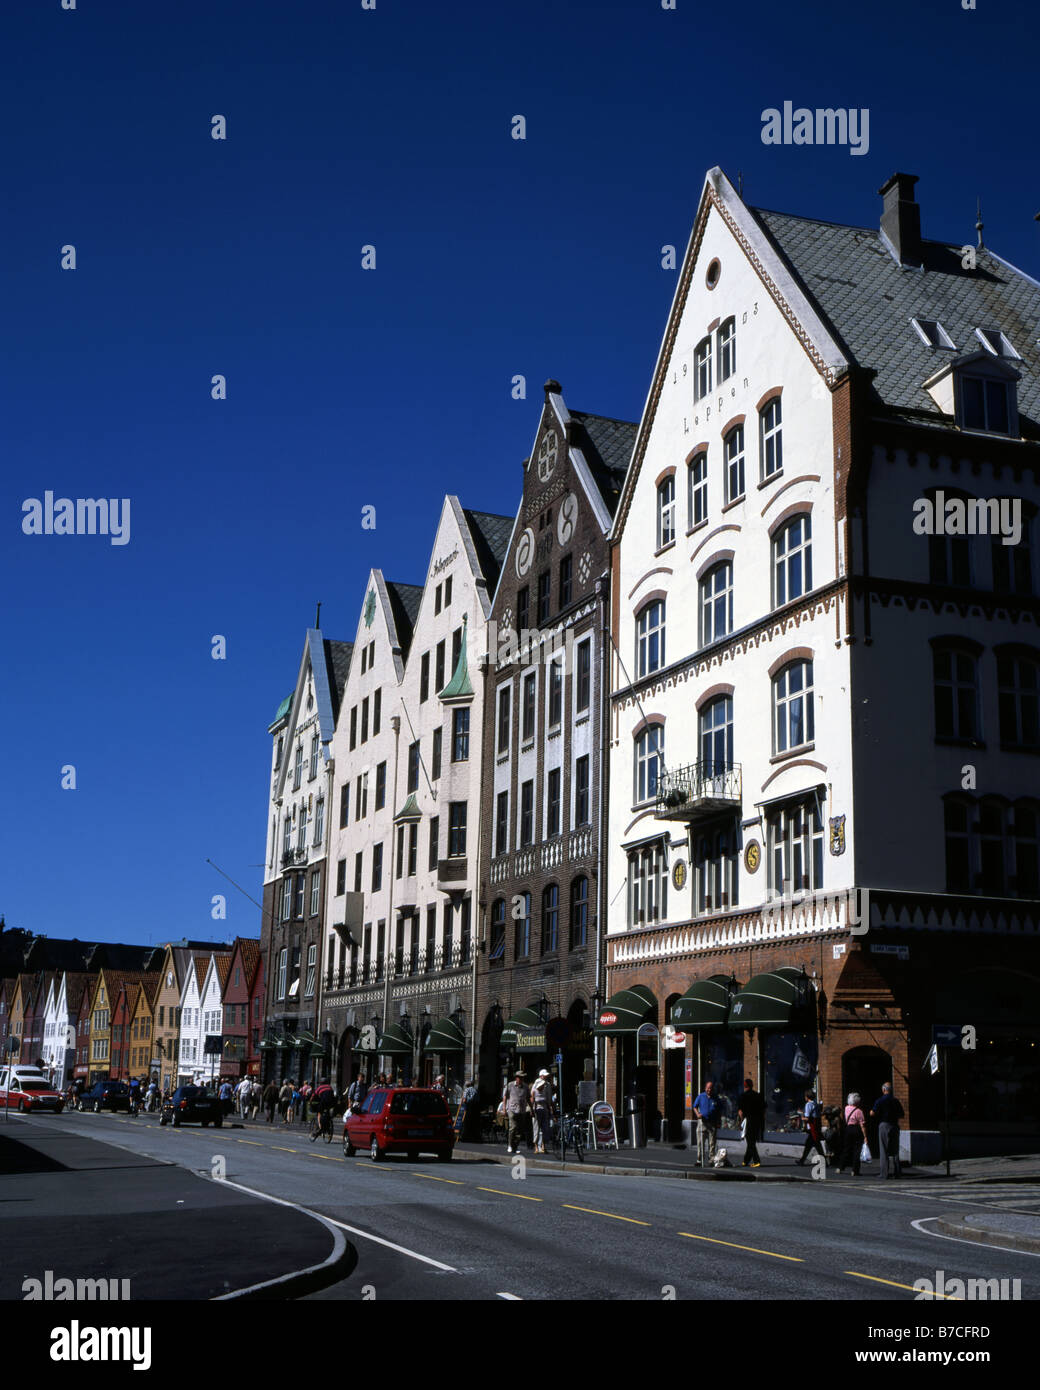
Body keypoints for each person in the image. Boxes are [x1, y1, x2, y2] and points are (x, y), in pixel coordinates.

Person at [871, 1082, 905, 1179]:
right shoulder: (895, 1101)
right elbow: (902, 1114)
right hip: (894, 1125)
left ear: (883, 1090)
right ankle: (897, 1172)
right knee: (895, 1150)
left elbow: (873, 1113)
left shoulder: (880, 1100)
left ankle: (884, 1173)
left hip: (884, 1125)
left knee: (884, 1149)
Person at [502, 1070, 531, 1156]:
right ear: (517, 1078)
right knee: (513, 1127)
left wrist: (531, 1109)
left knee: (519, 1130)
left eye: (523, 1078)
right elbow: (505, 1096)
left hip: (522, 1110)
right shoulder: (510, 1085)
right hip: (512, 1108)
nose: (522, 1079)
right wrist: (504, 1108)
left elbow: (528, 1098)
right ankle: (510, 1145)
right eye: (520, 1077)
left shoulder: (525, 1087)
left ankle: (515, 1146)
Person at [737, 1078, 764, 1168]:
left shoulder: (743, 1096)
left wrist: (741, 1122)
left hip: (748, 1121)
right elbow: (764, 1108)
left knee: (750, 1142)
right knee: (751, 1141)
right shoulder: (758, 1095)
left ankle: (756, 1161)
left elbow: (740, 1112)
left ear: (745, 1086)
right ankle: (745, 1161)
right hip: (757, 1121)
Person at [837, 1092, 867, 1175]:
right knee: (857, 1150)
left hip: (848, 1129)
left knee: (846, 1148)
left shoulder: (846, 1108)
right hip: (856, 1129)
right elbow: (862, 1125)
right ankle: (855, 1170)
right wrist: (865, 1136)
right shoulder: (859, 1111)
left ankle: (840, 1167)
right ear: (857, 1101)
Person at [795, 1090, 826, 1166]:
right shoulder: (815, 1104)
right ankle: (802, 1160)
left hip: (812, 1127)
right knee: (809, 1144)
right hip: (817, 1126)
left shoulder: (808, 1104)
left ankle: (824, 1161)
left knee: (816, 1145)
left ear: (807, 1097)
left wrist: (802, 1117)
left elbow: (808, 1117)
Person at [693, 1080, 720, 1166]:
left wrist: (718, 1121)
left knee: (712, 1143)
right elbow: (695, 1107)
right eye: (708, 1088)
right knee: (700, 1142)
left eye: (711, 1088)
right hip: (702, 1122)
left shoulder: (716, 1098)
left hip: (712, 1123)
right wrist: (697, 1114)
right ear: (705, 1088)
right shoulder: (701, 1096)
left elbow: (719, 1110)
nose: (709, 1090)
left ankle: (711, 1159)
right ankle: (699, 1160)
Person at [530, 1069, 555, 1154]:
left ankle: (543, 1146)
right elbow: (532, 1096)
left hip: (544, 1107)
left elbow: (549, 1097)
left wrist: (550, 1108)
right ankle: (536, 1146)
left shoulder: (547, 1085)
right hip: (537, 1107)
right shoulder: (537, 1082)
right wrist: (532, 1109)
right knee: (536, 1128)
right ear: (541, 1075)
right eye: (544, 1075)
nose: (546, 1077)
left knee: (545, 1128)